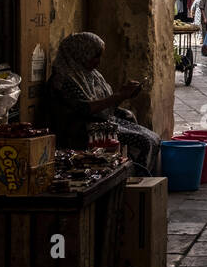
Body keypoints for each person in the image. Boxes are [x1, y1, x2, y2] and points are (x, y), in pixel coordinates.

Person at [47, 32, 160, 174]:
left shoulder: (89, 74)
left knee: (153, 138)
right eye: (95, 56)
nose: (98, 62)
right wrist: (119, 95)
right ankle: (135, 183)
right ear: (81, 53)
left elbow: (105, 104)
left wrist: (125, 94)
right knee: (145, 142)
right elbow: (85, 109)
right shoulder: (64, 80)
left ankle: (139, 181)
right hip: (83, 129)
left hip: (100, 122)